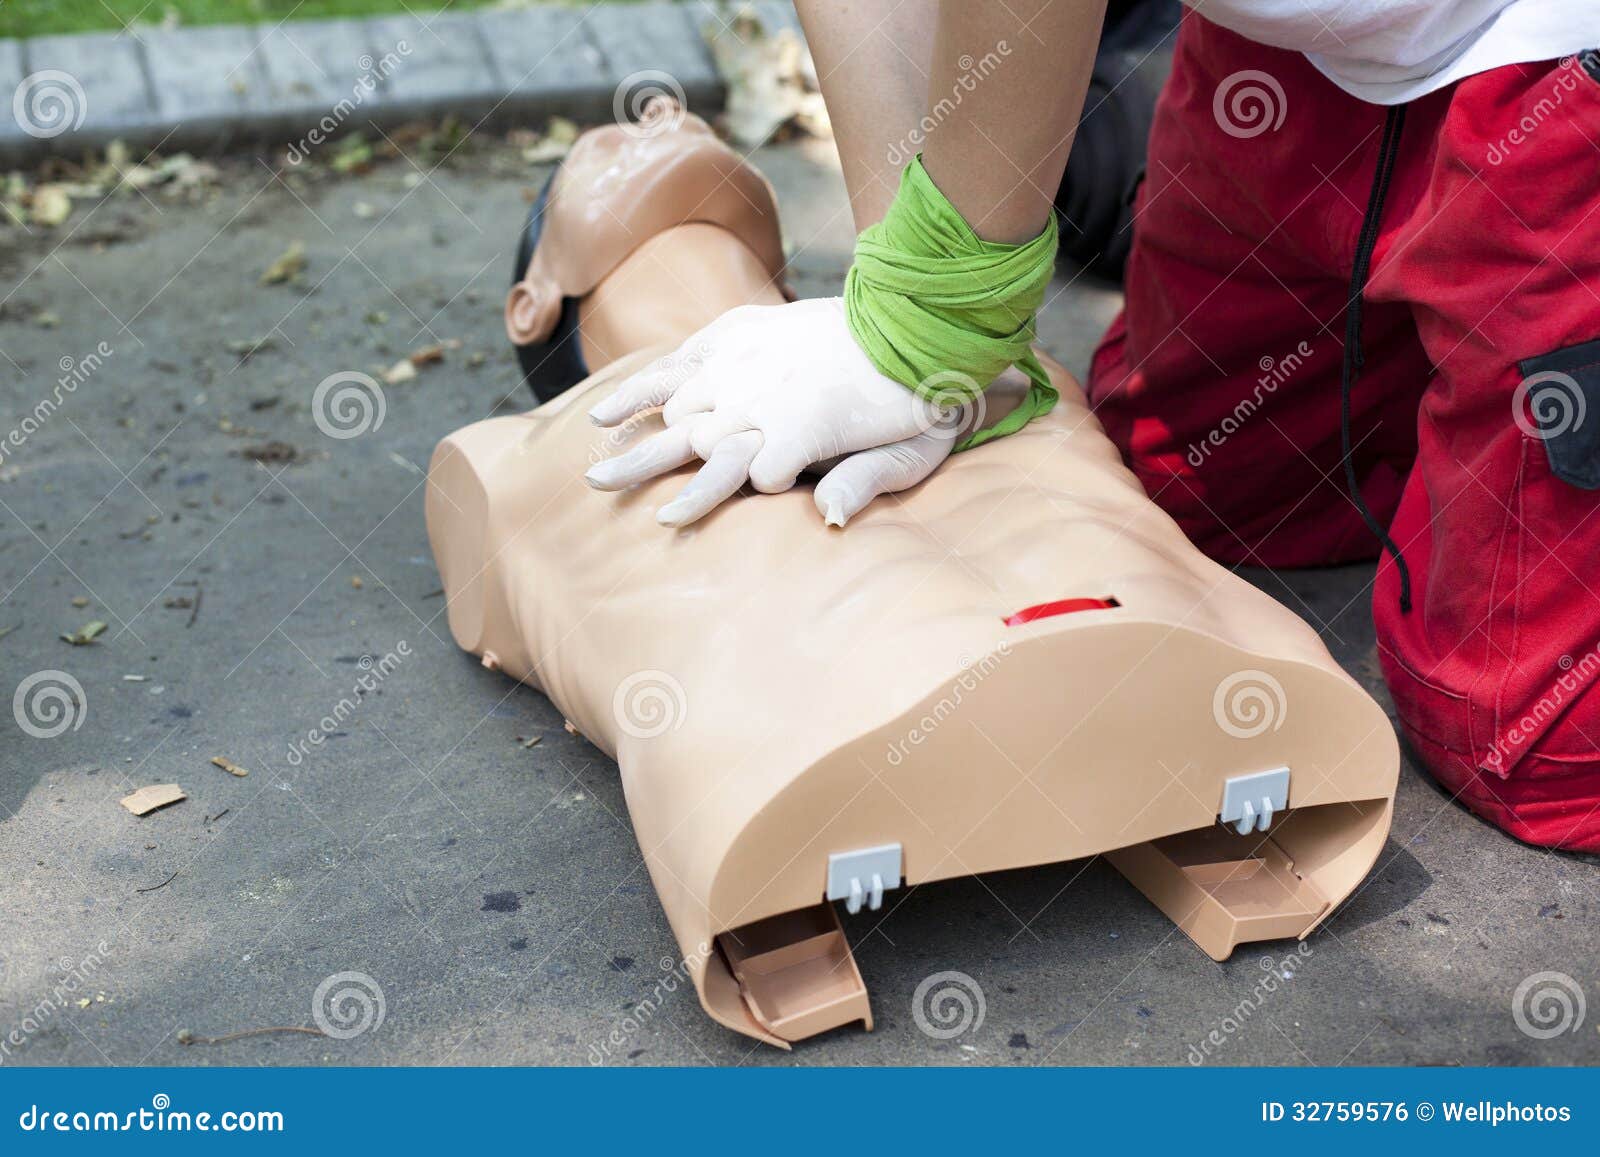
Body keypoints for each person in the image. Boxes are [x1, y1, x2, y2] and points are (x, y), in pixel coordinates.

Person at [580, 0, 1600, 853]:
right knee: (1203, 480)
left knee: (1539, 745)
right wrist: (921, 320)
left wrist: (934, 314)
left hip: (1557, 56)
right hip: (1308, 50)